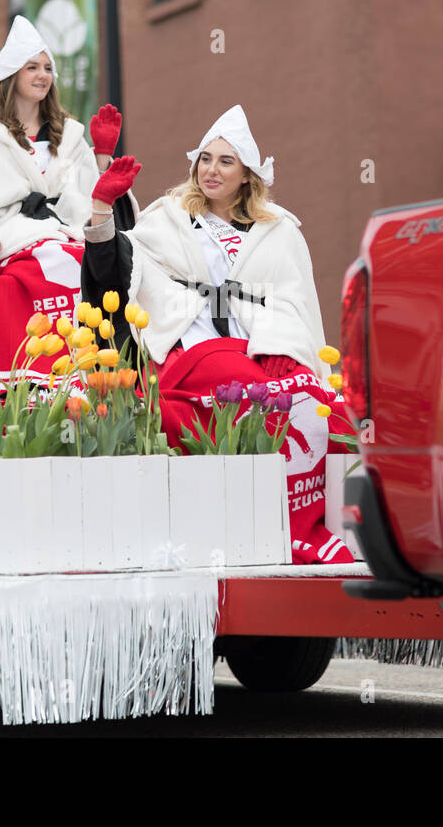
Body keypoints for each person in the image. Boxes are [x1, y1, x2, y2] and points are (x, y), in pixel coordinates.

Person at [81, 105, 353, 564]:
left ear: (247, 174)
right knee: (247, 389)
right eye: (205, 160)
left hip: (262, 349)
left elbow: (296, 301)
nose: (211, 170)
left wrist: (284, 350)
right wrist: (102, 210)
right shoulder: (168, 217)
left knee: (318, 408)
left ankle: (296, 527)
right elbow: (119, 272)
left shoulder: (279, 230)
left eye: (225, 161)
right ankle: (273, 527)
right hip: (195, 347)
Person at [0, 15, 129, 392]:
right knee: (55, 263)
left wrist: (101, 156)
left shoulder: (67, 134)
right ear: (13, 75)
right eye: (32, 67)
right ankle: (47, 372)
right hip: (9, 230)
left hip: (62, 228)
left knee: (96, 261)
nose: (42, 75)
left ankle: (94, 368)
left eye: (48, 67)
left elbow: (92, 200)